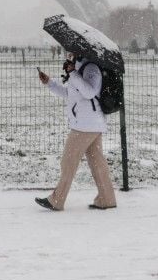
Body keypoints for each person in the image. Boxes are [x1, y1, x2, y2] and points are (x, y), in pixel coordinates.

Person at [34, 53, 117, 211]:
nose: (68, 54)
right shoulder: (80, 68)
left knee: (68, 161)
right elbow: (70, 94)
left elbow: (89, 92)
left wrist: (73, 73)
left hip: (85, 125)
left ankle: (57, 200)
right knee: (96, 162)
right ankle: (106, 199)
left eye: (71, 51)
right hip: (90, 123)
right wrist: (50, 83)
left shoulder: (91, 68)